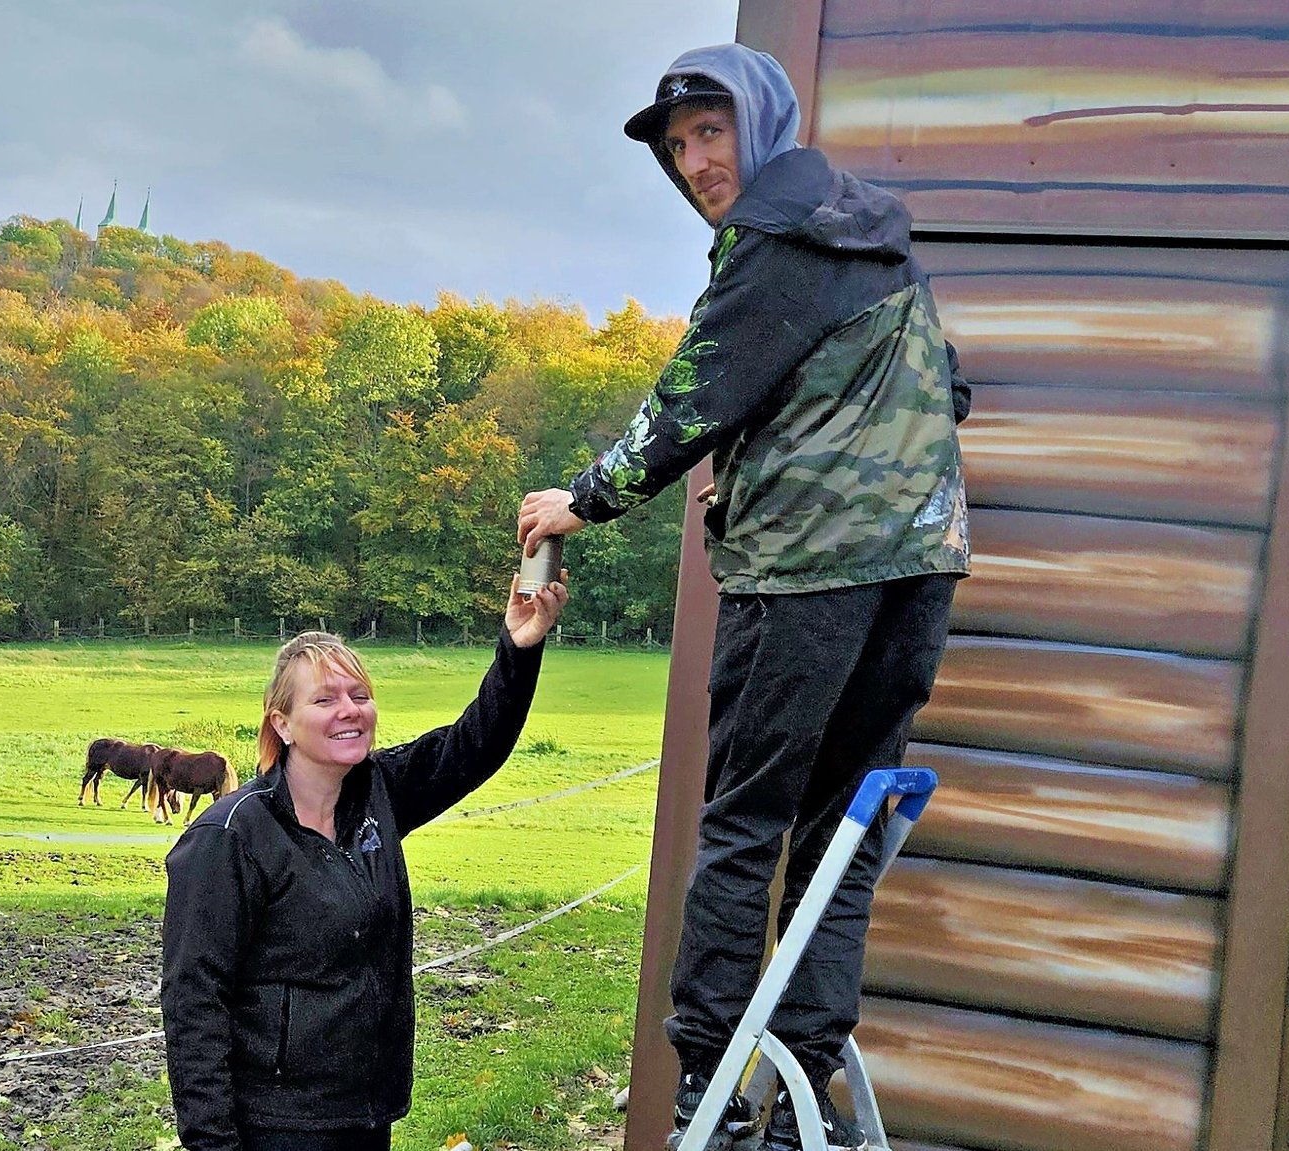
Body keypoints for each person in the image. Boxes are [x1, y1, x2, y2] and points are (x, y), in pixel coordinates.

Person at [517, 43, 972, 1151]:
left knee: (739, 830)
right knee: (838, 836)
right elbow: (948, 389)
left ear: (759, 125)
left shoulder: (771, 240)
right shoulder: (875, 243)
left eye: (709, 132)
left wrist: (577, 499)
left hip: (803, 576)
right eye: (677, 148)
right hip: (918, 570)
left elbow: (690, 400)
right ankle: (801, 1091)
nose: (693, 162)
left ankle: (708, 1097)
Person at [160, 572, 568, 1151]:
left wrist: (520, 647)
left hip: (366, 1112)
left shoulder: (378, 793)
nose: (349, 711)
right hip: (277, 1126)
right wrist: (213, 1143)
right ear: (282, 723)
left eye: (359, 695)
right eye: (324, 700)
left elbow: (475, 744)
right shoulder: (229, 839)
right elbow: (193, 999)